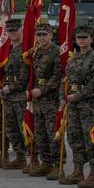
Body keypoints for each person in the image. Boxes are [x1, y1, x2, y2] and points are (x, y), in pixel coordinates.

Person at [62, 25, 94, 188]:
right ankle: (78, 171)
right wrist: (63, 97)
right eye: (79, 37)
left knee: (91, 138)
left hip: (89, 105)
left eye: (85, 37)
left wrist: (78, 95)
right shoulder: (73, 58)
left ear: (91, 39)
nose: (82, 40)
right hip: (73, 104)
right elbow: (66, 80)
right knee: (74, 137)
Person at [26, 19, 60, 178]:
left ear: (51, 35)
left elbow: (57, 76)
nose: (41, 37)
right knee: (40, 133)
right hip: (38, 100)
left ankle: (58, 164)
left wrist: (42, 90)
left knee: (53, 133)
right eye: (38, 35)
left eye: (44, 34)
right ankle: (45, 163)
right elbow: (33, 74)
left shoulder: (57, 52)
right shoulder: (37, 52)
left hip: (51, 99)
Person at [0, 17, 29, 170]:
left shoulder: (26, 50)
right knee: (11, 129)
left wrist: (10, 88)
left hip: (21, 96)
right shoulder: (6, 50)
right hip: (8, 97)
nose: (12, 33)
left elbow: (25, 77)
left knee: (24, 129)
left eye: (15, 30)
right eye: (9, 31)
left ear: (21, 30)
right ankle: (20, 157)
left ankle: (34, 159)